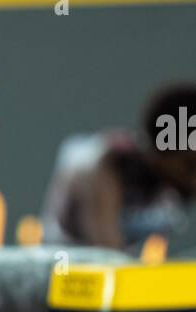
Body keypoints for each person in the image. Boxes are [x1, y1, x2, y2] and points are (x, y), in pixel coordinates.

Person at [41, 84, 196, 253]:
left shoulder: (173, 179)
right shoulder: (108, 166)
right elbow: (110, 259)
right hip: (65, 269)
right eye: (190, 166)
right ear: (158, 153)